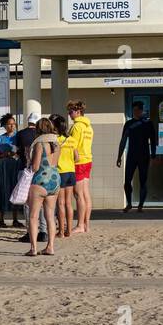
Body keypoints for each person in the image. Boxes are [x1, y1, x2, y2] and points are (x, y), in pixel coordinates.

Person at [26, 117, 60, 256]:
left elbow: (35, 166)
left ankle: (33, 248)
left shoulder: (40, 144)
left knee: (33, 216)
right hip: (55, 180)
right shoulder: (57, 144)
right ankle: (50, 247)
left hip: (41, 180)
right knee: (50, 216)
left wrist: (29, 161)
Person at [117, 101, 158, 212]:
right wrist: (119, 156)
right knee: (127, 181)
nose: (136, 112)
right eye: (134, 110)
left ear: (141, 110)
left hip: (144, 156)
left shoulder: (148, 124)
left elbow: (153, 140)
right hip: (131, 156)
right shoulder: (129, 124)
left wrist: (153, 155)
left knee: (143, 181)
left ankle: (140, 205)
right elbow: (123, 141)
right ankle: (129, 203)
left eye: (138, 110)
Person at [16, 110, 48, 244]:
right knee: (42, 203)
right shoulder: (43, 136)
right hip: (42, 172)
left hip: (25, 170)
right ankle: (44, 231)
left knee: (28, 203)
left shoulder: (21, 134)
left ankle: (30, 232)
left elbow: (16, 150)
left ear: (28, 121)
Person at [0, 113, 24, 230]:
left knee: (15, 190)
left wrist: (15, 153)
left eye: (13, 124)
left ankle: (15, 219)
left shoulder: (19, 137)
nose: (12, 126)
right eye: (9, 124)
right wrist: (3, 154)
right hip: (3, 168)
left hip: (16, 167)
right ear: (5, 126)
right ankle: (1, 220)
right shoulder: (0, 138)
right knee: (1, 190)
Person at [67, 100, 94, 233]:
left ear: (78, 112)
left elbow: (73, 146)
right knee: (85, 193)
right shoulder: (89, 126)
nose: (69, 114)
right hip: (88, 160)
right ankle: (86, 224)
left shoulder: (76, 127)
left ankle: (80, 225)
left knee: (78, 195)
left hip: (78, 162)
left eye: (71, 111)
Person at [53, 113, 78, 240]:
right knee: (69, 203)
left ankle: (61, 232)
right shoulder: (71, 139)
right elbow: (77, 157)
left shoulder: (55, 140)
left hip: (60, 172)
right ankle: (69, 230)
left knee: (60, 203)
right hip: (71, 172)